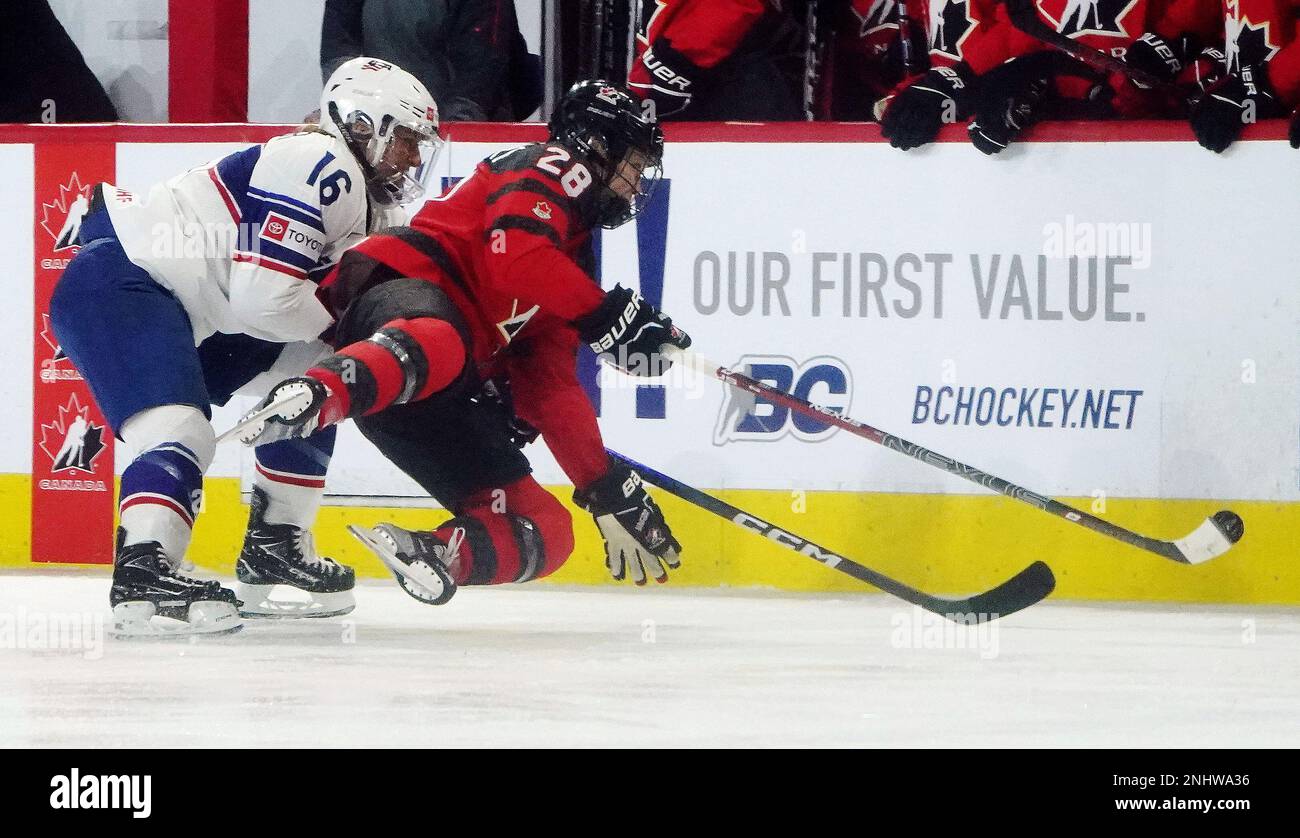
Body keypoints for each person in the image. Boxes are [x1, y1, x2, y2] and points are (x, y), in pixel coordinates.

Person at [231, 80, 690, 605]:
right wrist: (605, 314)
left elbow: (550, 389)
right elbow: (516, 256)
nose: (637, 185)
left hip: (416, 390)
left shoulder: (575, 256)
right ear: (598, 148)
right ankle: (317, 393)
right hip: (399, 308)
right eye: (633, 164)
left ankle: (439, 553)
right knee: (444, 341)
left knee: (549, 529)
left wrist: (603, 485)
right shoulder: (550, 164)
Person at [50, 57, 441, 636]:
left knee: (316, 374)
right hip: (125, 281)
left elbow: (277, 309)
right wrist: (355, 326)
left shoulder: (367, 199)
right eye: (404, 139)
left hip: (181, 307)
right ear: (362, 125)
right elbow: (266, 301)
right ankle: (144, 575)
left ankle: (275, 544)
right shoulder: (321, 160)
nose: (412, 158)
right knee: (180, 430)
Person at [320, 0, 541, 121]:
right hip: (387, 123)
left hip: (449, 126)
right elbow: (339, 53)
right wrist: (346, 111)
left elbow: (481, 66)